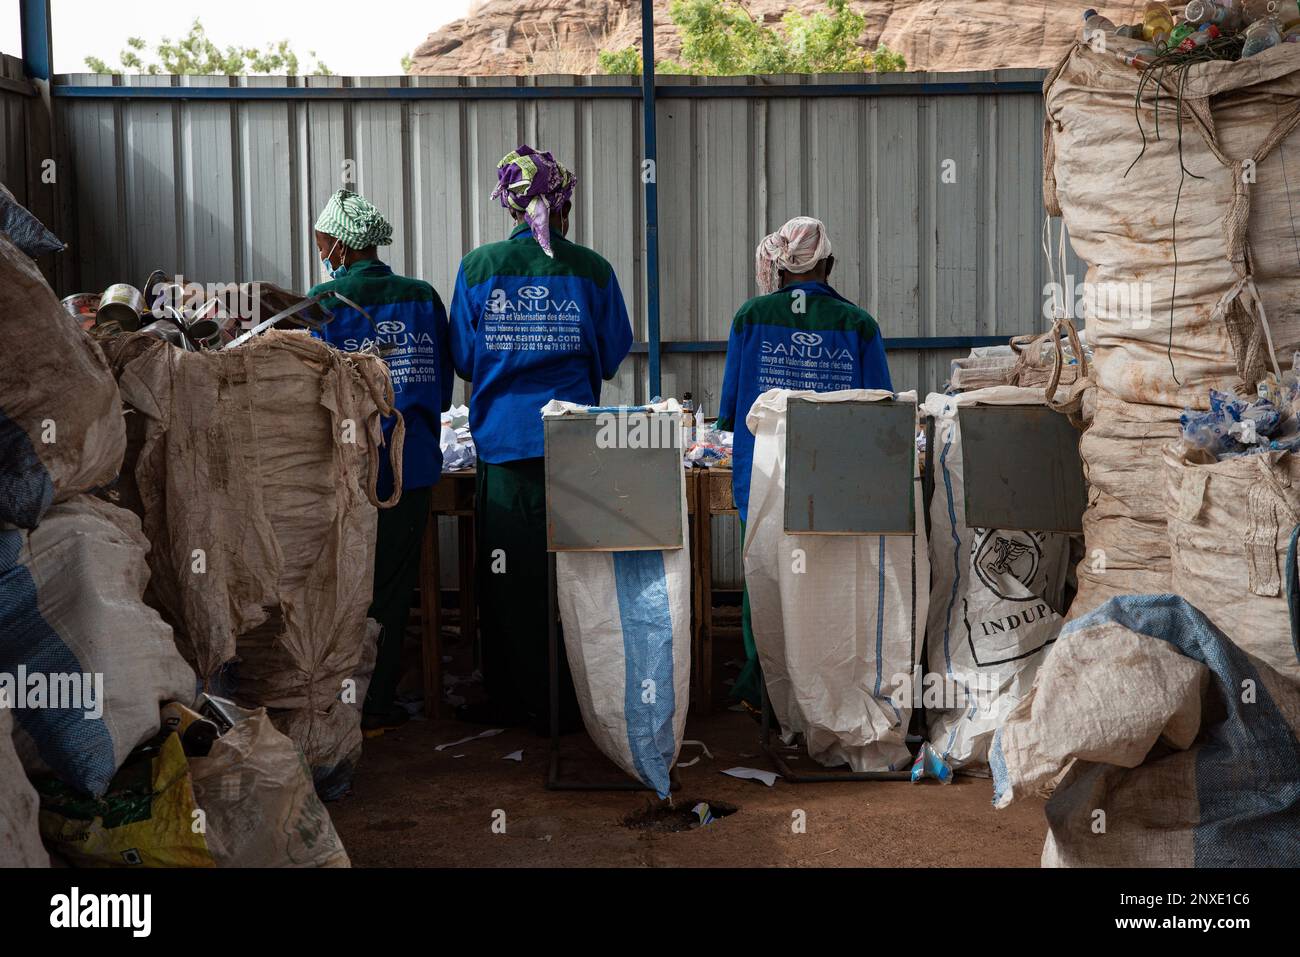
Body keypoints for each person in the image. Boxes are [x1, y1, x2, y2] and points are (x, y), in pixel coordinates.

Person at [449, 146, 633, 732]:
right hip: (577, 447)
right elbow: (611, 355)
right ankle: (582, 697)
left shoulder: (478, 267)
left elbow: (463, 358)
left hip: (506, 449)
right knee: (580, 578)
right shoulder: (593, 269)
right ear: (564, 203)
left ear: (508, 202)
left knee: (508, 579)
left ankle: (520, 703)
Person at [716, 216, 893, 710]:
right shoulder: (858, 325)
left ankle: (764, 687)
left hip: (765, 478)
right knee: (831, 579)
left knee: (766, 577)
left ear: (780, 265)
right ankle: (828, 683)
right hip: (836, 481)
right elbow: (882, 411)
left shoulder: (750, 318)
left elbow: (731, 411)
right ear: (830, 265)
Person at [309, 188, 453, 736]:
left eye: (323, 241)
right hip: (409, 467)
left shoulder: (322, 301)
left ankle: (341, 703)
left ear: (341, 246)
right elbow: (439, 390)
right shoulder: (422, 297)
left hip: (343, 472)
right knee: (391, 591)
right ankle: (377, 703)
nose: (321, 249)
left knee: (342, 588)